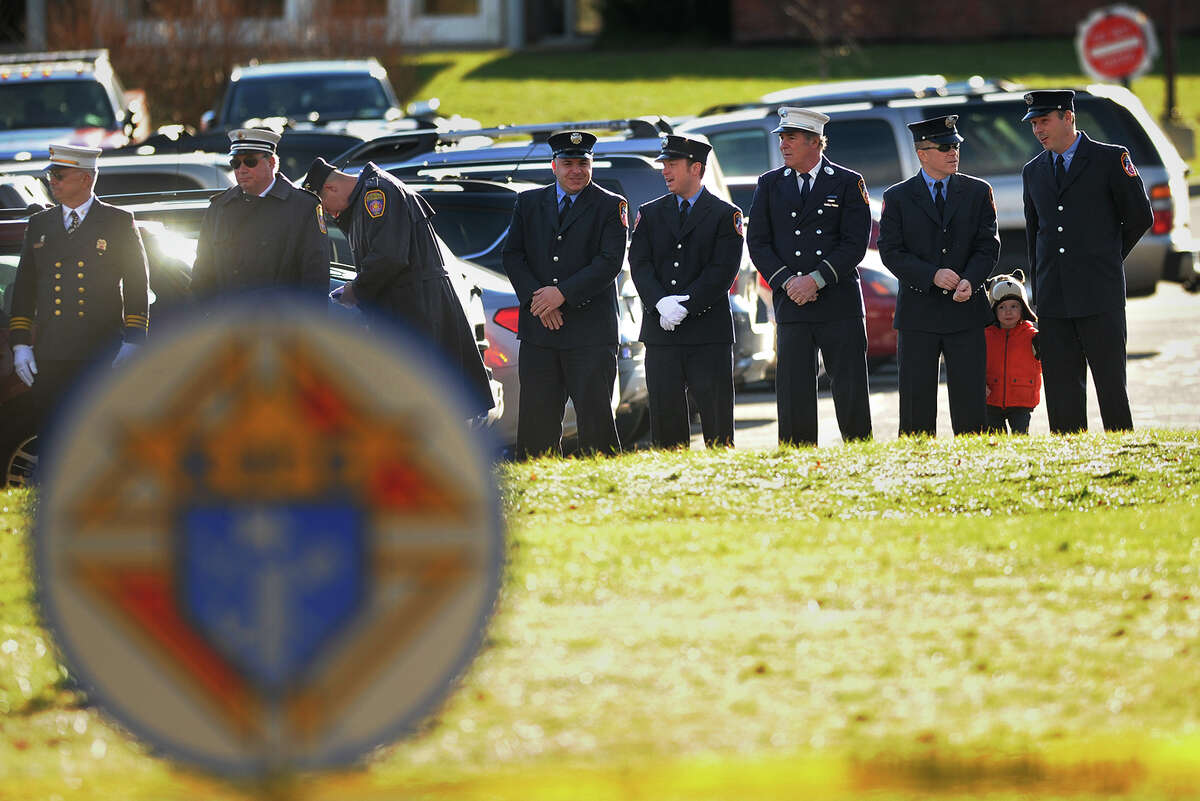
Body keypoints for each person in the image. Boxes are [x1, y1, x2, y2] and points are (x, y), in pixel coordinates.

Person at [301, 157, 495, 418]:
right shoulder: (366, 196)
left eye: (325, 208)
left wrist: (355, 290)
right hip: (413, 305)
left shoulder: (376, 193)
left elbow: (389, 256)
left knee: (426, 400)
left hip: (417, 307)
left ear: (330, 189)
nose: (330, 216)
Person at [1021, 89, 1152, 433]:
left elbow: (1139, 217)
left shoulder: (1110, 159)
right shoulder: (1033, 171)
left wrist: (1107, 257)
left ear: (1068, 117)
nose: (1038, 130)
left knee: (1110, 385)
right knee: (1062, 389)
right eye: (1034, 123)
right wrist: (1039, 294)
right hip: (1054, 298)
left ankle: (1122, 450)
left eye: (1044, 121)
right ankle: (1068, 454)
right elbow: (1037, 236)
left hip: (1099, 293)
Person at [747, 107, 873, 446]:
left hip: (837, 300)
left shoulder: (848, 182)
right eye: (782, 138)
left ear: (815, 142)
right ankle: (797, 454)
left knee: (849, 386)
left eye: (791, 138)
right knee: (793, 388)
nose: (783, 145)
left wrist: (815, 280)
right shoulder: (770, 184)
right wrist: (789, 282)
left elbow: (854, 243)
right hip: (792, 301)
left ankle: (859, 451)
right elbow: (757, 242)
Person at [501, 130, 628, 458]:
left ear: (592, 164)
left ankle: (602, 487)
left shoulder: (611, 205)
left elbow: (609, 261)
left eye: (583, 163)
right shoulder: (529, 203)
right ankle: (537, 484)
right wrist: (539, 302)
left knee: (596, 421)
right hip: (540, 332)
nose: (576, 170)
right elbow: (513, 256)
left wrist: (563, 294)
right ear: (553, 165)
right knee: (536, 423)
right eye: (568, 163)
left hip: (590, 334)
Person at [8, 143, 148, 427]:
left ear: (86, 178)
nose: (52, 182)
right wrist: (20, 343)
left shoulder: (117, 221)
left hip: (99, 352)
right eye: (51, 176)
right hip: (51, 353)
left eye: (59, 176)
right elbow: (24, 287)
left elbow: (137, 283)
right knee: (51, 438)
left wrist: (133, 340)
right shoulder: (40, 223)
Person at [878, 114, 999, 437]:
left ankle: (973, 467)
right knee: (916, 406)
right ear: (922, 154)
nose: (953, 153)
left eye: (956, 146)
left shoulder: (977, 192)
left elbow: (988, 246)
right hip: (919, 315)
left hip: (966, 311)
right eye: (944, 147)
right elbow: (891, 252)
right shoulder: (898, 197)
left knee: (971, 404)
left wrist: (970, 281)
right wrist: (931, 275)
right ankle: (918, 469)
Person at [629, 134, 744, 448]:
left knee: (717, 421)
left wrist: (686, 306)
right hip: (661, 330)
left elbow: (722, 271)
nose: (665, 171)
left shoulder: (725, 214)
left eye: (672, 164)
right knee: (666, 422)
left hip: (708, 332)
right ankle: (672, 480)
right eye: (664, 164)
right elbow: (639, 264)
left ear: (696, 168)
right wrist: (660, 303)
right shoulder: (650, 213)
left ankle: (723, 481)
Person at [191, 128, 330, 299]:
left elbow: (315, 280)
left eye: (250, 162)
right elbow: (202, 276)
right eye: (235, 163)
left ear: (271, 162)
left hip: (280, 322)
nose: (241, 169)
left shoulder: (303, 207)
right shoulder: (220, 207)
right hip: (229, 322)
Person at [984, 270, 1041, 434]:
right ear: (994, 310)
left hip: (1022, 399)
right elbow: (974, 364)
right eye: (1002, 307)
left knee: (1020, 435)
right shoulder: (985, 336)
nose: (1008, 312)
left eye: (1014, 306)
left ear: (1023, 309)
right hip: (991, 399)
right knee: (995, 438)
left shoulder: (1033, 337)